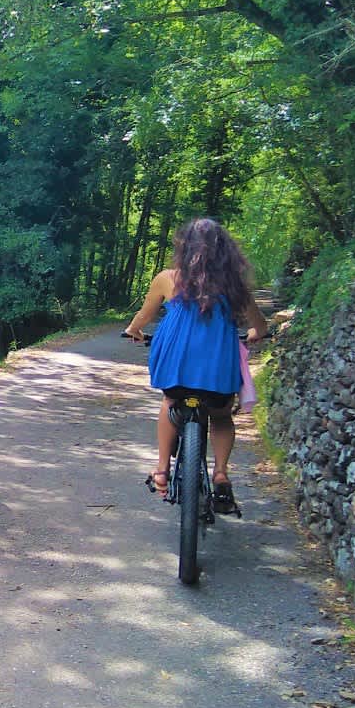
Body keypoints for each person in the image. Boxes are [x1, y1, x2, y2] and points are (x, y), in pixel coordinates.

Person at [124, 218, 269, 512]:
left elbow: (145, 315)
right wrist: (255, 334)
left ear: (184, 247)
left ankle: (162, 469)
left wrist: (134, 330)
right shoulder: (234, 285)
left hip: (176, 368)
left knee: (170, 401)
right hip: (217, 370)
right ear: (225, 250)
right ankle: (221, 475)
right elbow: (259, 325)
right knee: (222, 415)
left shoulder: (167, 278)